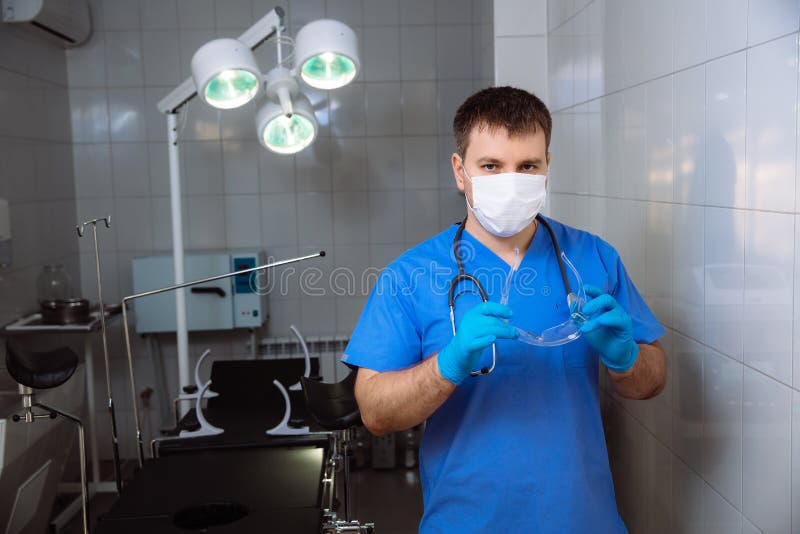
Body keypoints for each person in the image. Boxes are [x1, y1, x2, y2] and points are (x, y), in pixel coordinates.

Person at [343, 86, 666, 533]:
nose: (511, 181)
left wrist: (626, 359)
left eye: (527, 166)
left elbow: (650, 383)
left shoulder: (593, 257)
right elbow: (375, 413)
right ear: (461, 171)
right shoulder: (410, 276)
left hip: (584, 521)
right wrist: (448, 365)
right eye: (491, 166)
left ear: (547, 166)